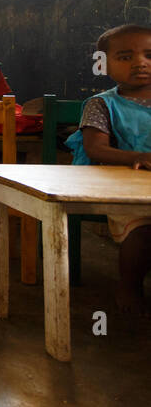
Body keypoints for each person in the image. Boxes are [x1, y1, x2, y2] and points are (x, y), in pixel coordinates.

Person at [65, 23, 151, 313]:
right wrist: (137, 157)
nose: (140, 63)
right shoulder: (101, 105)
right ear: (103, 65)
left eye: (149, 55)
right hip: (125, 190)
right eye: (126, 57)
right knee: (143, 231)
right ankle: (129, 288)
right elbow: (96, 149)